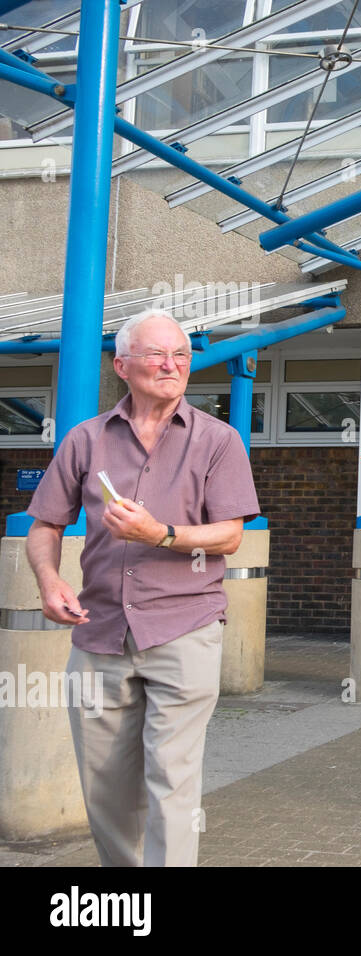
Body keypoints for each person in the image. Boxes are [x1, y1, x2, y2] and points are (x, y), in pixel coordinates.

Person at [24, 309, 260, 867]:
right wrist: (51, 579)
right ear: (122, 365)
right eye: (157, 354)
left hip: (184, 626)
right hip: (98, 629)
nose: (171, 365)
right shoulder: (85, 440)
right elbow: (45, 525)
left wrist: (162, 533)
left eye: (181, 355)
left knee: (170, 779)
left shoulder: (219, 441)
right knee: (104, 788)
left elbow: (229, 536)